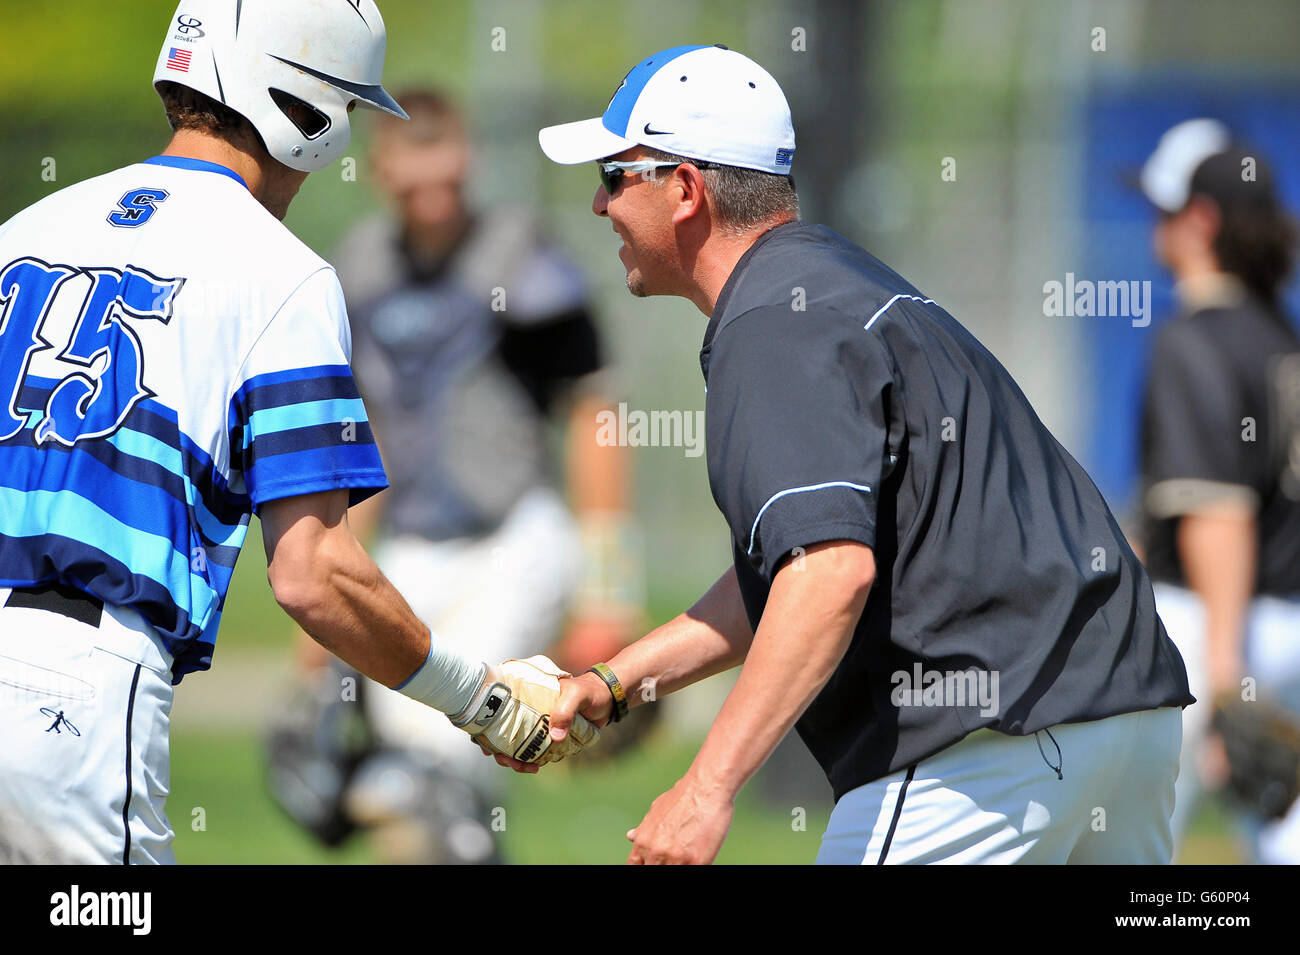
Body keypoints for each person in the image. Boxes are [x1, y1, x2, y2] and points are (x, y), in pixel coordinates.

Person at [515, 43, 1194, 865]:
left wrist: (706, 787)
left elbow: (829, 575)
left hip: (985, 744)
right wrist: (617, 682)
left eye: (616, 177)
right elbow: (793, 565)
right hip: (1124, 716)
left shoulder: (773, 327)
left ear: (686, 189)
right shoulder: (835, 285)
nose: (598, 204)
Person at [0, 0, 592, 865]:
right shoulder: (282, 273)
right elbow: (313, 573)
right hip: (76, 695)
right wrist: (481, 697)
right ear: (307, 113)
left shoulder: (25, 229)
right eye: (345, 107)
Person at [283, 89, 645, 864]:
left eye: (444, 161)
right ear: (379, 169)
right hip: (409, 550)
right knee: (413, 790)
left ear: (468, 158)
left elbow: (594, 414)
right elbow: (363, 439)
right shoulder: (361, 266)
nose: (431, 187)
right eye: (411, 166)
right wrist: (328, 601)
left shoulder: (519, 255)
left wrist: (608, 586)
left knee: (428, 755)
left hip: (512, 536)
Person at [1135, 118, 1300, 862]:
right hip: (1288, 623)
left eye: (1165, 210)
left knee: (1137, 845)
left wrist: (1227, 682)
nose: (1155, 226)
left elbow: (1218, 515)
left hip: (1214, 627)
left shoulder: (1192, 339)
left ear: (1200, 222)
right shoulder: (1280, 339)